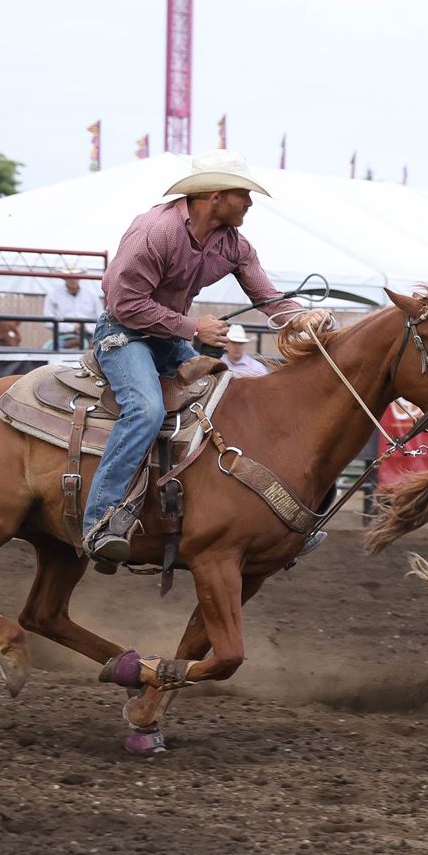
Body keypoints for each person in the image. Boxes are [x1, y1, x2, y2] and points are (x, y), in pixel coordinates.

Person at [83, 149, 330, 563]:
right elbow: (123, 304)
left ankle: (272, 526)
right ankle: (99, 520)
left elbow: (267, 296)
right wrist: (193, 329)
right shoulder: (156, 232)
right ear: (216, 196)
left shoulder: (233, 244)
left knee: (235, 404)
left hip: (167, 338)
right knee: (145, 409)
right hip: (123, 336)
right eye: (242, 194)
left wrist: (301, 317)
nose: (249, 203)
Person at [45, 267, 104, 351]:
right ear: (64, 278)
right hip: (63, 337)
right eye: (69, 277)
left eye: (75, 276)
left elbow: (101, 319)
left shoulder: (92, 296)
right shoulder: (53, 295)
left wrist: (87, 328)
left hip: (89, 337)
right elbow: (48, 322)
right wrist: (72, 328)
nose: (73, 279)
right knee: (49, 349)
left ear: (80, 278)